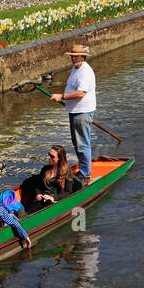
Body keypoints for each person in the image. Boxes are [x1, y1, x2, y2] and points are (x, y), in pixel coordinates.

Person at [51, 44, 96, 185]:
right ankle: (83, 170)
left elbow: (81, 93)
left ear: (83, 57)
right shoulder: (76, 68)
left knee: (82, 144)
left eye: (76, 57)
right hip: (74, 111)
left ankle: (85, 176)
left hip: (82, 112)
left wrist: (62, 96)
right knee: (77, 143)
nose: (74, 59)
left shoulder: (85, 71)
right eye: (72, 57)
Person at [20, 145, 79, 213]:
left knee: (41, 205)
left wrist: (53, 197)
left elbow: (68, 192)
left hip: (55, 202)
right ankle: (23, 215)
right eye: (49, 155)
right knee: (37, 203)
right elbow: (38, 186)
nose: (49, 158)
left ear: (59, 158)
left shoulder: (67, 172)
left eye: (52, 156)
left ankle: (24, 216)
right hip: (41, 199)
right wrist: (38, 194)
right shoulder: (45, 169)